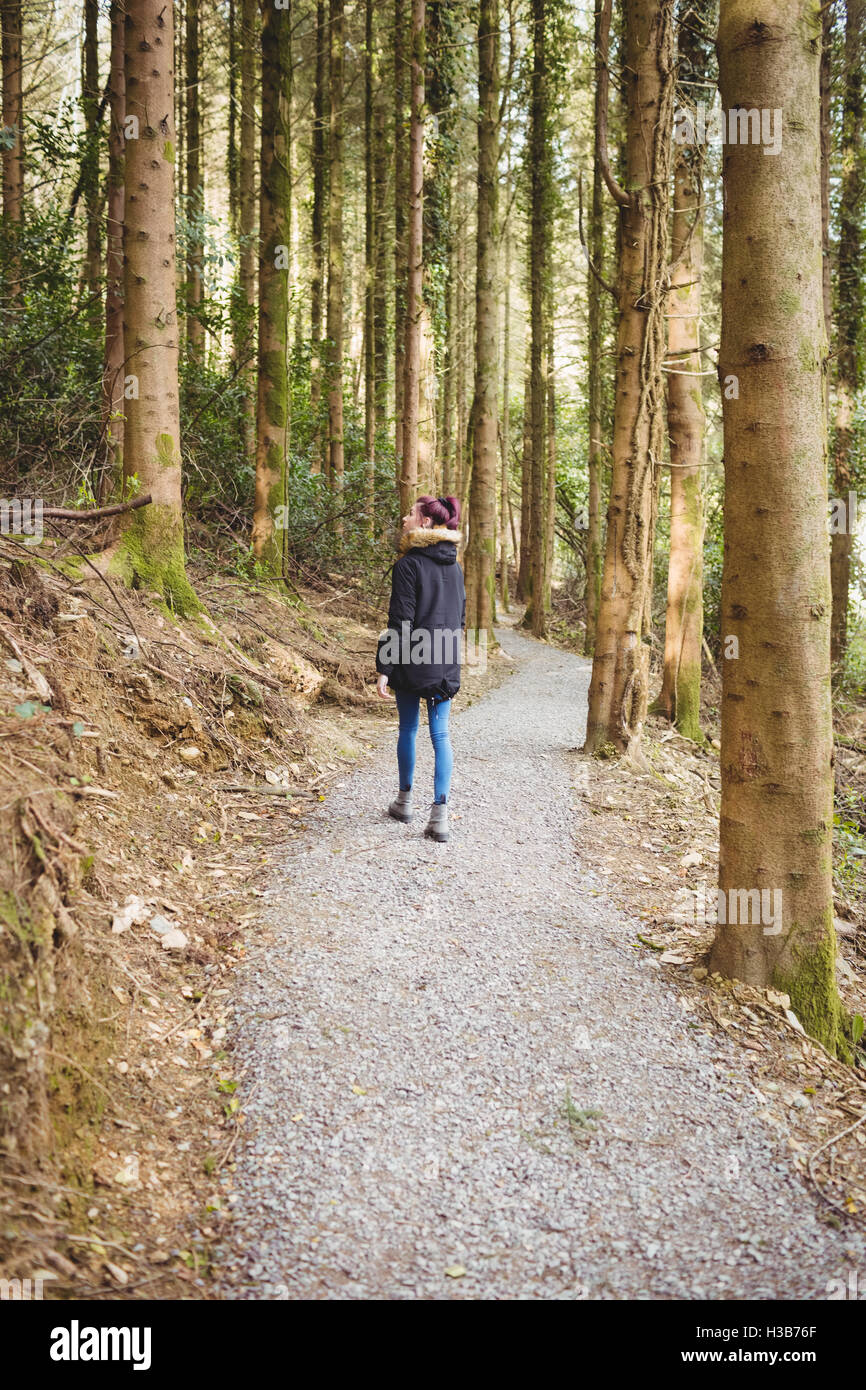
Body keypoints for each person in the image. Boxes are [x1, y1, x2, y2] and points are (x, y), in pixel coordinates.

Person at [376, 494, 465, 843]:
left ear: (425, 523)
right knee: (441, 735)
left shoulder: (408, 565)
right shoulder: (455, 567)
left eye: (411, 514)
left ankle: (404, 802)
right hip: (445, 660)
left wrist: (386, 666)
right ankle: (440, 818)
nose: (404, 519)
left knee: (409, 729)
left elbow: (401, 621)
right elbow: (459, 620)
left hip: (414, 659)